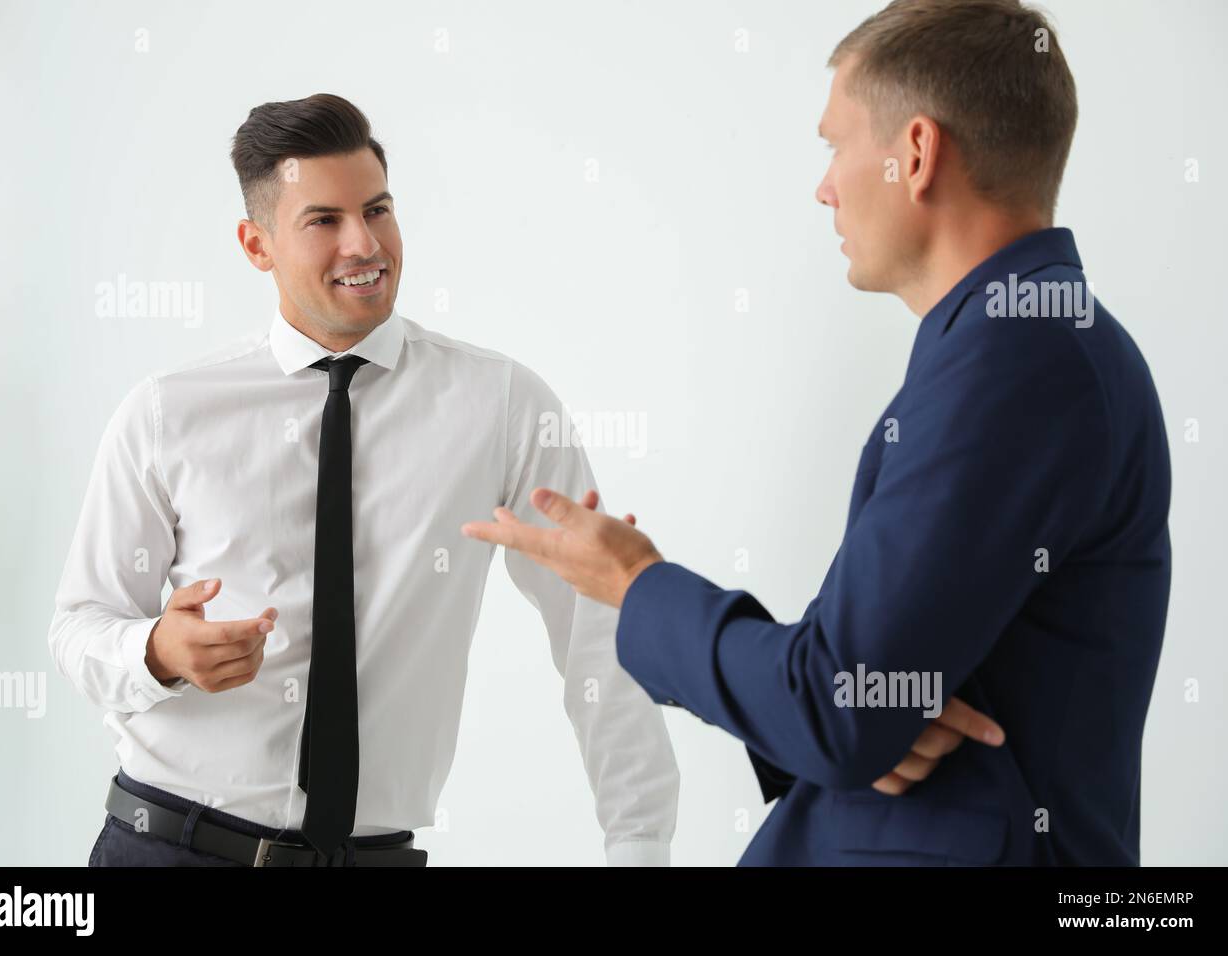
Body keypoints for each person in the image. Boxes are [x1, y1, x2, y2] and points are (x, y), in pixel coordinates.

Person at [462, 0, 1172, 866]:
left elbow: (838, 707)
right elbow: (856, 703)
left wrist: (634, 583)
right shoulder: (1017, 343)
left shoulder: (1016, 359)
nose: (825, 185)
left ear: (915, 153)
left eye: (836, 144)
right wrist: (869, 720)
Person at [50, 93, 687, 866]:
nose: (365, 244)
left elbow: (598, 629)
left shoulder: (502, 407)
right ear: (258, 245)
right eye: (324, 221)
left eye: (378, 210)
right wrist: (156, 651)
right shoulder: (167, 412)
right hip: (169, 847)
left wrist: (641, 843)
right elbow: (80, 625)